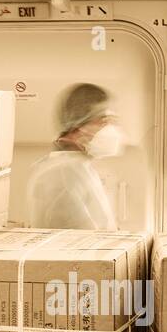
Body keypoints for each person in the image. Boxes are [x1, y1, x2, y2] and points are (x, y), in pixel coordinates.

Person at [26, 83, 123, 230]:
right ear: (79, 126)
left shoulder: (78, 166)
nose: (111, 128)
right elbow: (80, 242)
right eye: (103, 121)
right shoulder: (62, 174)